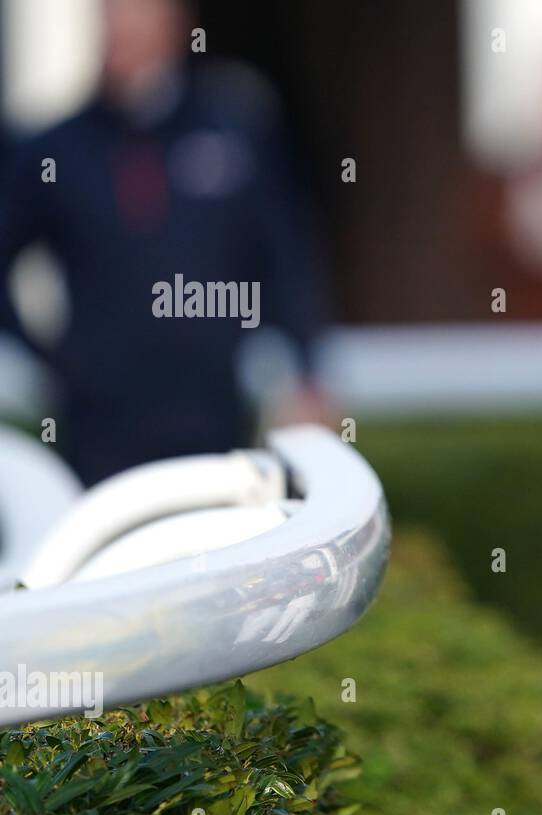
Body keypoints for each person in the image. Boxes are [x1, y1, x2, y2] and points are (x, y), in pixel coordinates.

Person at [0, 0, 333, 486]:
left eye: (139, 12)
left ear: (176, 22)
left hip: (214, 419)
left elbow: (285, 254)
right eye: (112, 12)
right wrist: (52, 362)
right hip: (98, 433)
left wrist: (307, 369)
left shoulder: (234, 128)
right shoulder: (57, 150)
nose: (122, 27)